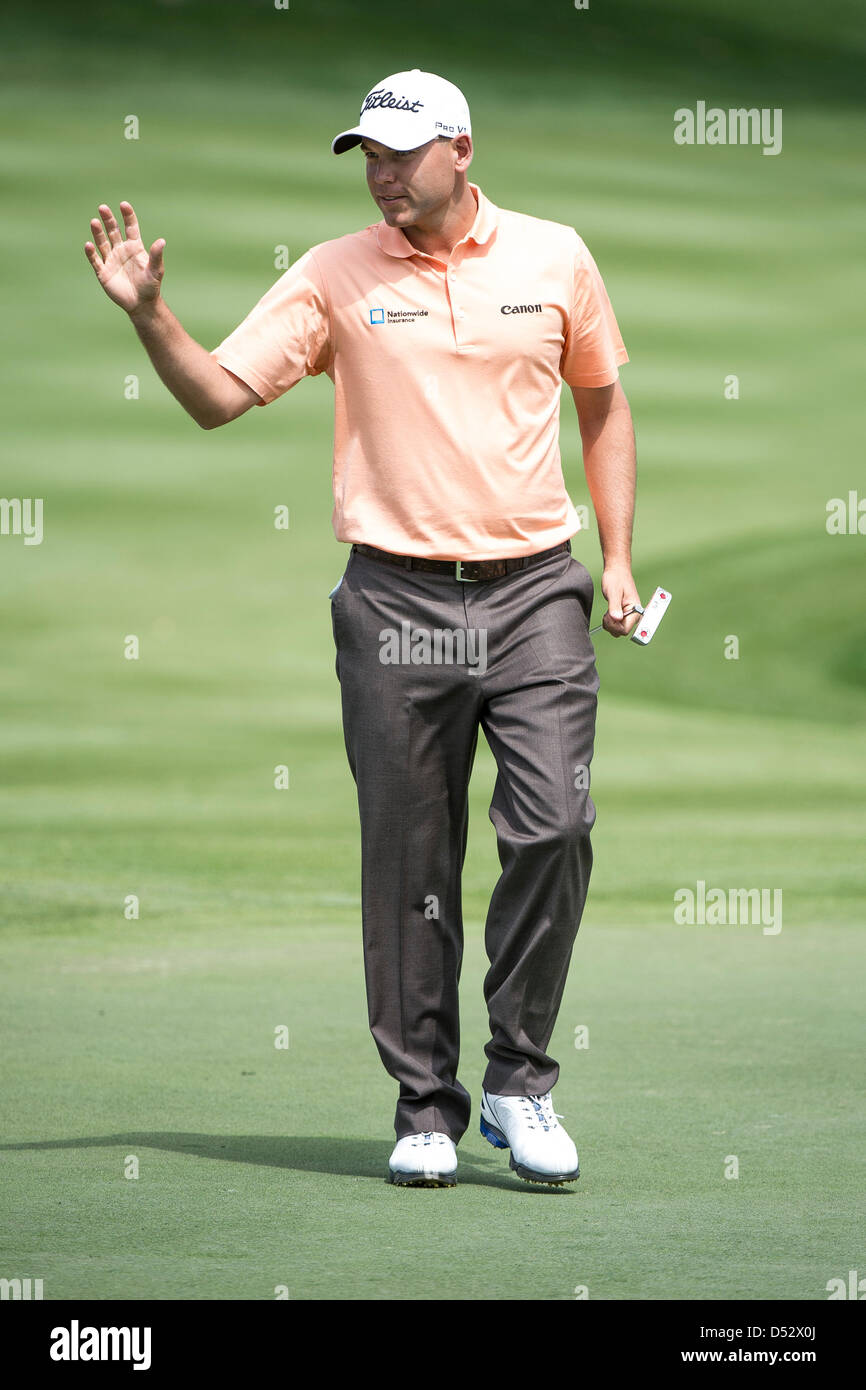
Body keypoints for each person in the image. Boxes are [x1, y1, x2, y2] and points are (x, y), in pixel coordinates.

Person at [84, 68, 641, 1189]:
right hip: (394, 597)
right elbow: (218, 396)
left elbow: (601, 401)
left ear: (461, 149)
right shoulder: (334, 274)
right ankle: (424, 1107)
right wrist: (153, 317)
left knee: (555, 826)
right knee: (409, 859)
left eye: (399, 152)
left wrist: (617, 556)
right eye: (366, 156)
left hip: (536, 587)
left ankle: (518, 1081)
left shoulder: (555, 255)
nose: (381, 172)